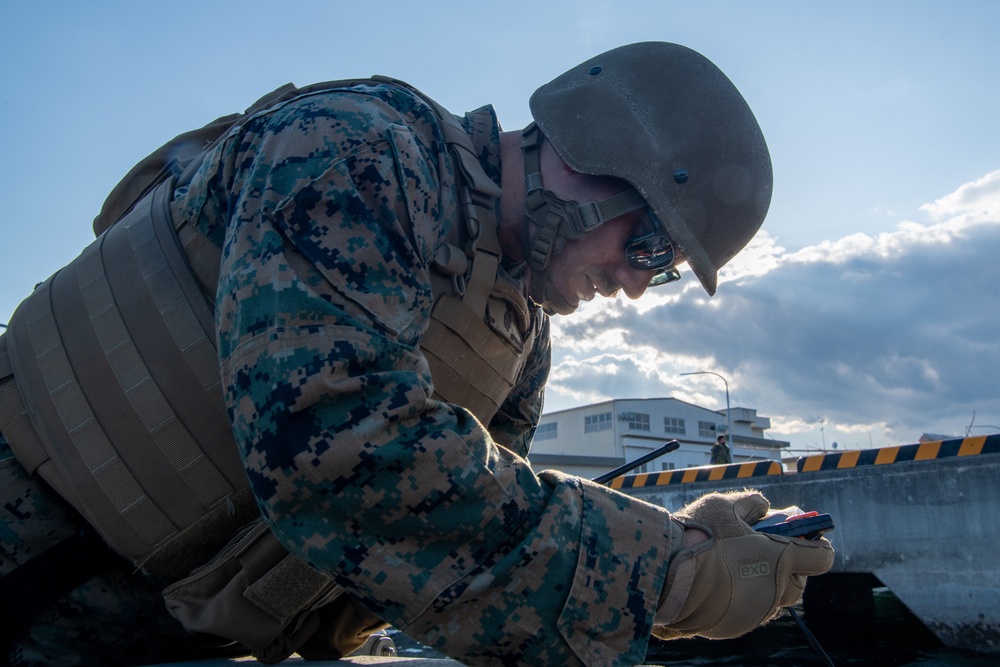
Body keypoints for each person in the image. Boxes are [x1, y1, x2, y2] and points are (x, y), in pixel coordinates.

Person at [0, 42, 834, 666]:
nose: (637, 285)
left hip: (158, 634)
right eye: (649, 245)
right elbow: (333, 445)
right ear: (597, 146)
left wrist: (683, 545)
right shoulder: (359, 151)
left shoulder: (520, 340)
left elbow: (463, 541)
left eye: (667, 270)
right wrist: (663, 573)